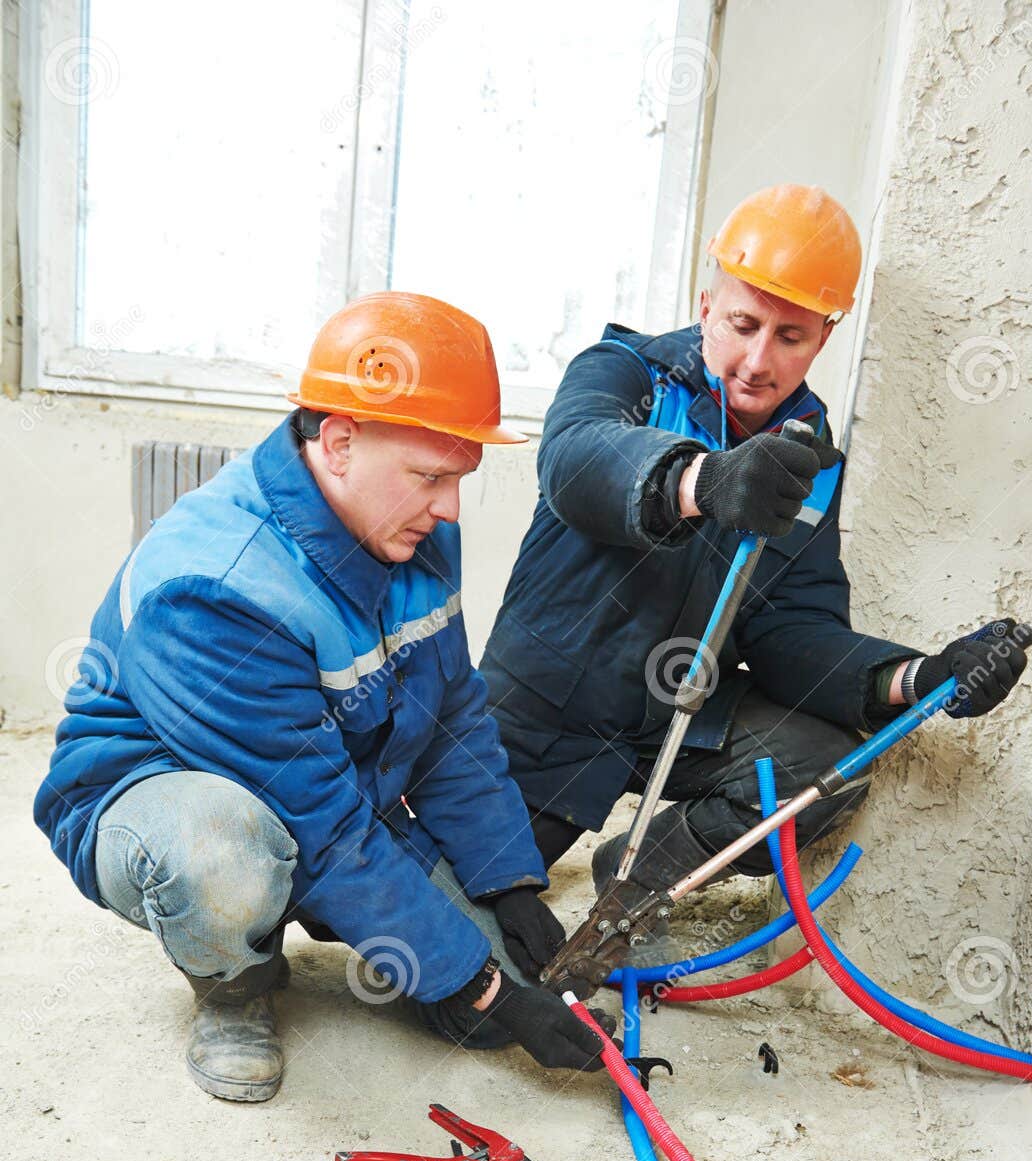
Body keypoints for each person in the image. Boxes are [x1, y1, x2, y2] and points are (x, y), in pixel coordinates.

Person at [34, 292, 613, 1103]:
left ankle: (322, 912)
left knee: (481, 1015)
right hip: (158, 799)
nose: (449, 507)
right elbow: (323, 829)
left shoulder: (410, 528)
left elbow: (451, 719)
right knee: (229, 859)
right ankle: (235, 979)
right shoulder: (216, 589)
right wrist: (484, 984)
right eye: (431, 477)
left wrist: (507, 882)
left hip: (334, 792)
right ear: (339, 444)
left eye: (459, 478)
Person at [479, 184, 1030, 919]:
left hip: (673, 713)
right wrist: (703, 480)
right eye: (742, 323)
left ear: (823, 339)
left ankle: (634, 888)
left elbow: (788, 630)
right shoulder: (624, 374)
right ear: (705, 306)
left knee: (819, 764)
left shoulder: (811, 458)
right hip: (552, 714)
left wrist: (914, 676)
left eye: (790, 337)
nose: (756, 360)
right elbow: (577, 464)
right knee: (459, 935)